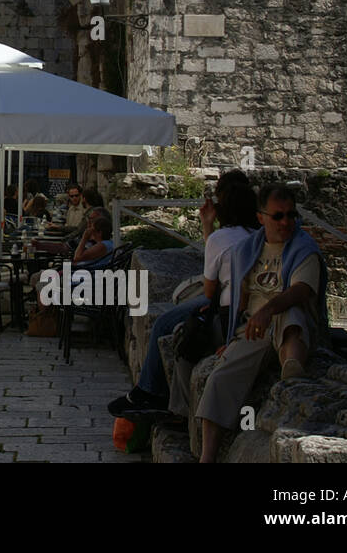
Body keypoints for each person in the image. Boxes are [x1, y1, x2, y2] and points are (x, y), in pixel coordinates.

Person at [109, 172, 257, 418]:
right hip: (246, 304)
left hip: (227, 307)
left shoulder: (222, 237)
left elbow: (211, 289)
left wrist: (208, 226)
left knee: (163, 323)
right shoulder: (259, 233)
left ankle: (148, 392)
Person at [196, 185, 324, 463]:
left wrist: (267, 310)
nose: (286, 222)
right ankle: (207, 457)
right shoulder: (247, 249)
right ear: (261, 217)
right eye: (278, 216)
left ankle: (292, 368)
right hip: (253, 327)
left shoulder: (304, 249)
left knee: (290, 315)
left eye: (291, 215)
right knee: (218, 379)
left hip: (286, 317)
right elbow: (240, 300)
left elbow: (300, 290)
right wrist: (231, 340)